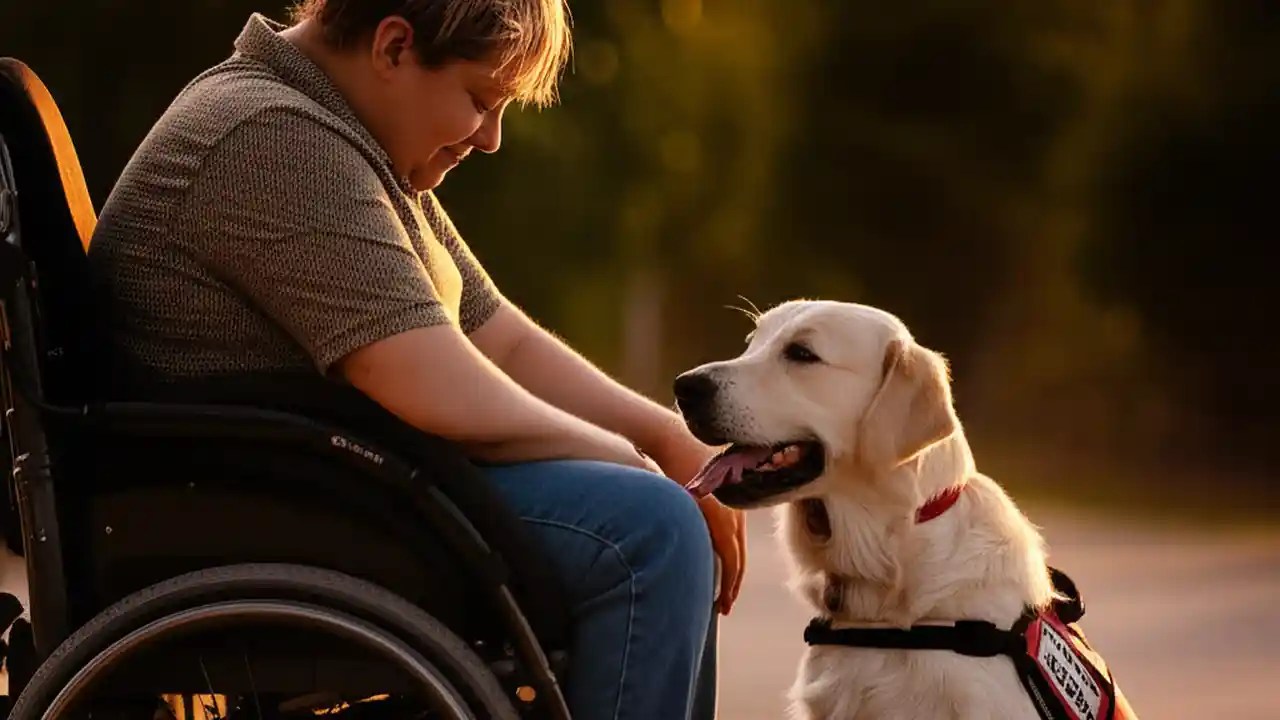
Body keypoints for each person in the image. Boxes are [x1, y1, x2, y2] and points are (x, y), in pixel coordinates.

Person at [85, 1, 746, 718]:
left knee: (664, 513)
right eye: (480, 100)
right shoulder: (271, 137)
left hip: (329, 483)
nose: (491, 138)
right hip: (259, 498)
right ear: (395, 47)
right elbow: (440, 392)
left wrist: (665, 435)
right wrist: (631, 463)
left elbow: (500, 336)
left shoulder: (342, 132)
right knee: (649, 532)